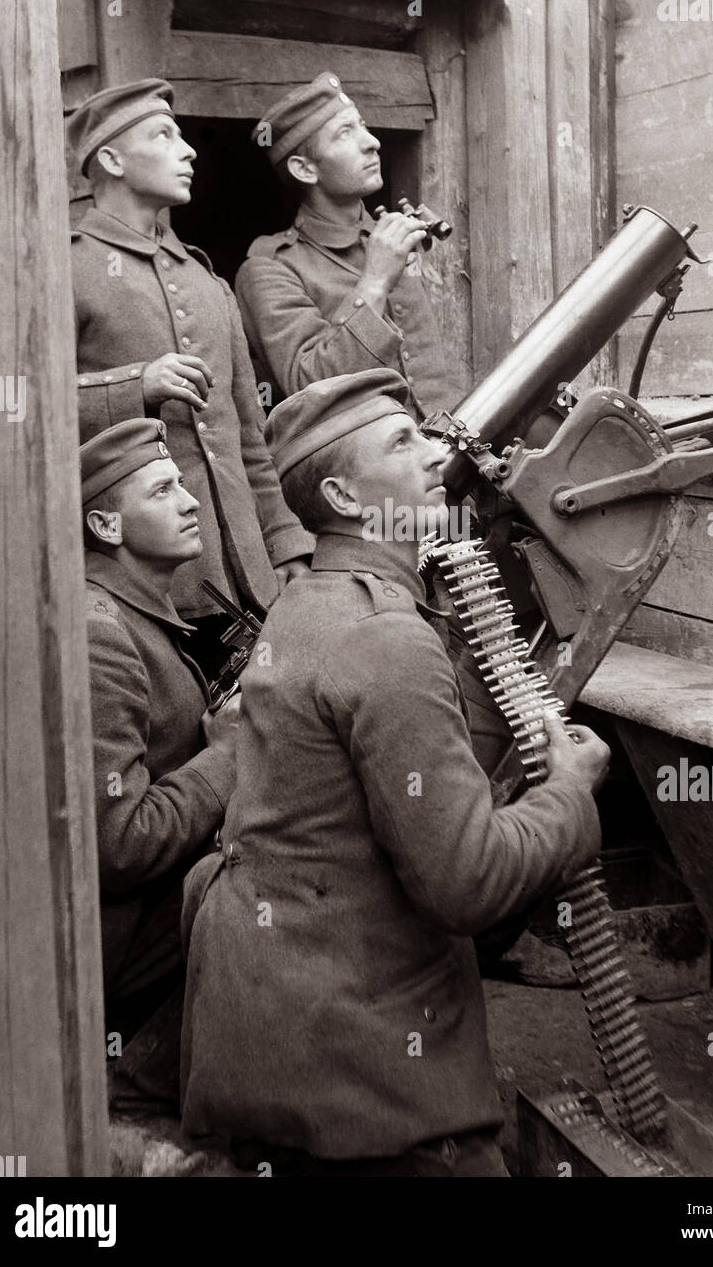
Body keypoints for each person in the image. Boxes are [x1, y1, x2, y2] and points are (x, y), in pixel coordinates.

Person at [180, 370, 610, 1176]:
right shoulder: (383, 635)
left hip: (268, 1017)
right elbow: (466, 883)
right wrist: (568, 791)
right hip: (360, 1057)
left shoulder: (306, 601)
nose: (436, 453)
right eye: (401, 442)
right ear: (344, 496)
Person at [66, 78, 313, 667]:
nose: (189, 150)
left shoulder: (208, 282)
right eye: (164, 135)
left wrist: (284, 544)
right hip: (134, 585)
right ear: (111, 159)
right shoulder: (65, 268)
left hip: (244, 579)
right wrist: (134, 387)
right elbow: (16, 413)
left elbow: (248, 437)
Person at [81, 418, 239, 1098]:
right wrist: (228, 755)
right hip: (118, 947)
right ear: (106, 526)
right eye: (162, 491)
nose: (191, 500)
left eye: (183, 483)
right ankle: (149, 1073)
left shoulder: (136, 610)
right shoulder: (102, 636)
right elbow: (120, 845)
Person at [235, 71, 454, 418]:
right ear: (305, 170)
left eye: (362, 125)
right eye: (345, 133)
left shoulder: (392, 235)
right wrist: (375, 281)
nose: (372, 142)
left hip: (455, 438)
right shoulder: (269, 269)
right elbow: (311, 385)